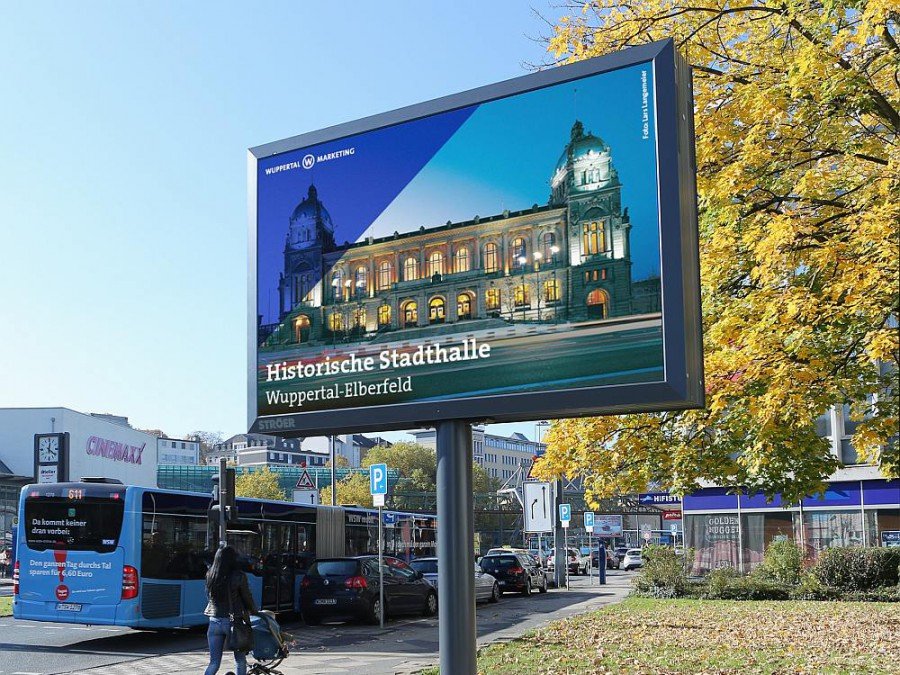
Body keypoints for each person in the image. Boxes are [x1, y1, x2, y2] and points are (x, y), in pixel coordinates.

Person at [204, 545, 258, 675]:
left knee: (214, 662)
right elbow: (247, 597)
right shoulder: (239, 576)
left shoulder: (211, 574)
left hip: (214, 621)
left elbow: (209, 597)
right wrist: (254, 611)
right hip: (233, 622)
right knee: (240, 660)